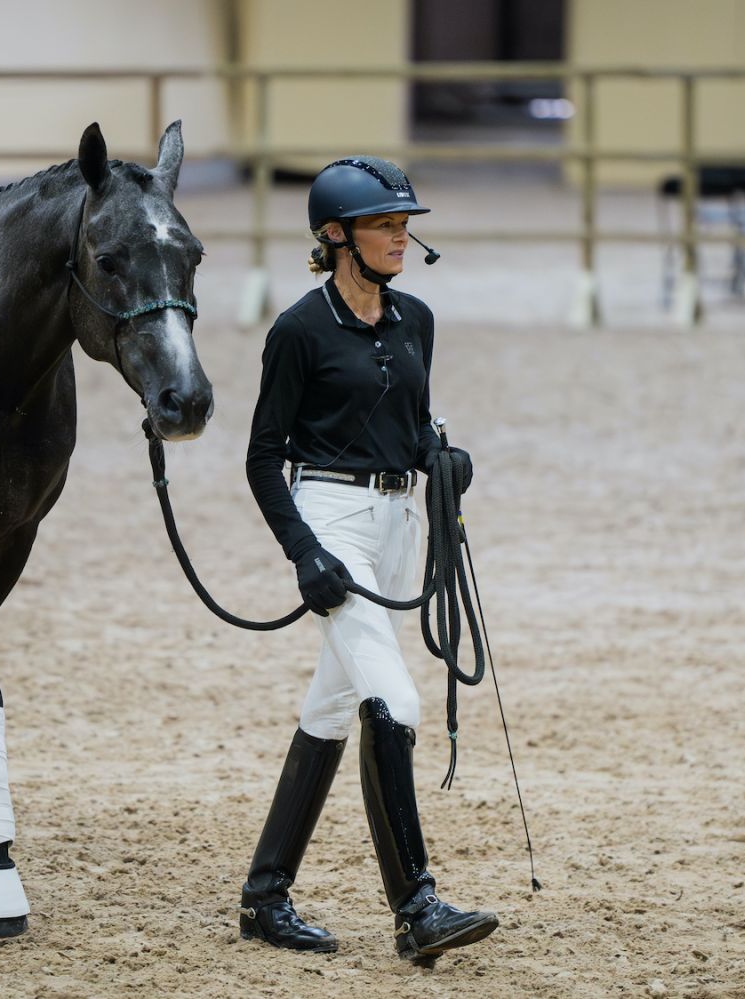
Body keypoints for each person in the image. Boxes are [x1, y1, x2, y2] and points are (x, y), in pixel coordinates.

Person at [238, 156, 497, 963]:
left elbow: (416, 423)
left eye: (403, 224)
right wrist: (303, 550)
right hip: (332, 518)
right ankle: (416, 906)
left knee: (327, 708)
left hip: (399, 523)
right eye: (385, 225)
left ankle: (264, 897)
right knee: (392, 700)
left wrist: (440, 462)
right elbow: (261, 457)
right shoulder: (298, 331)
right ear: (336, 235)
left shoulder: (415, 318)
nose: (401, 237)